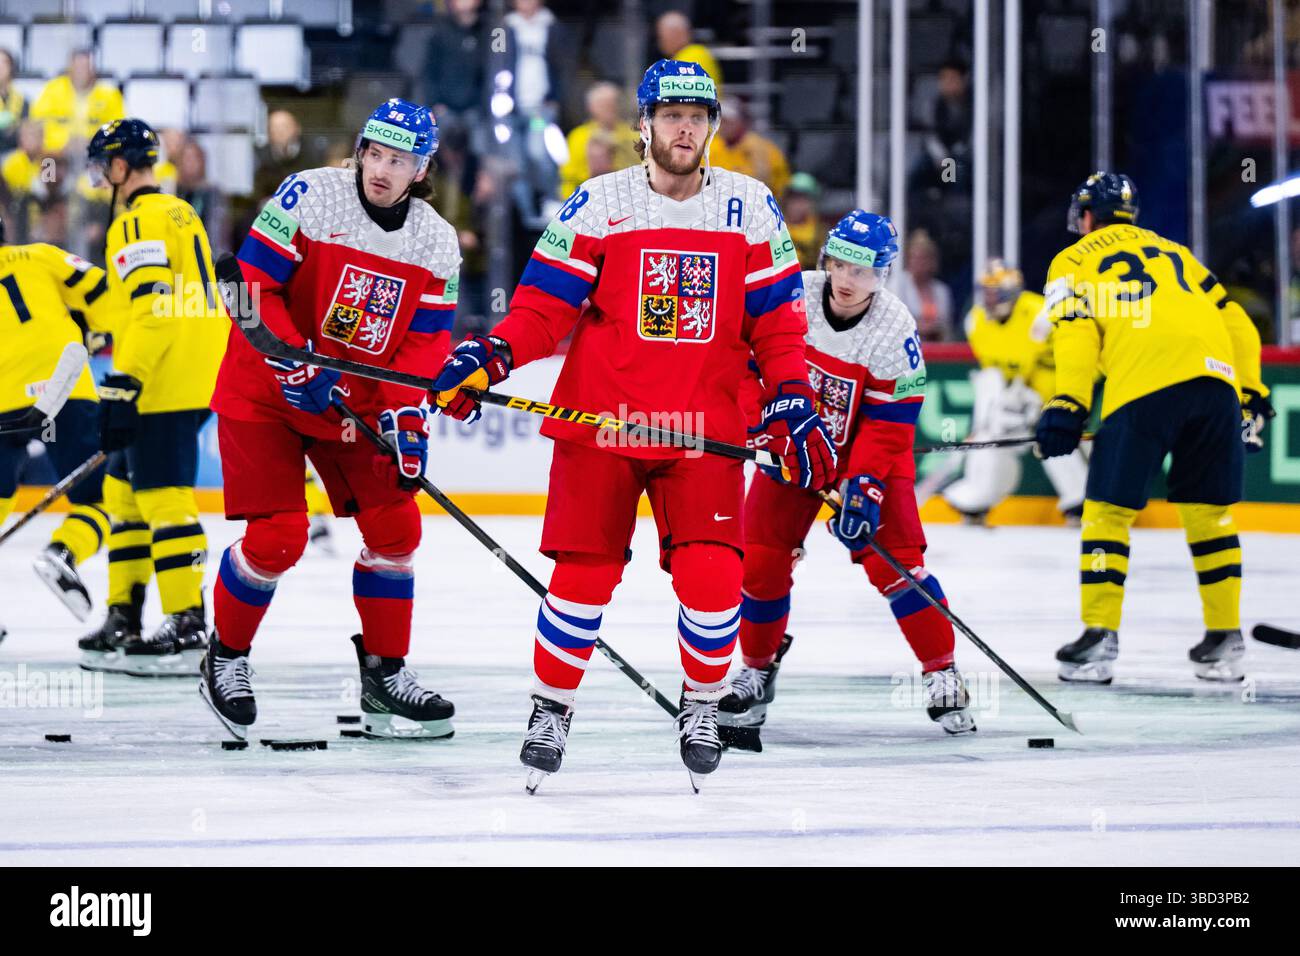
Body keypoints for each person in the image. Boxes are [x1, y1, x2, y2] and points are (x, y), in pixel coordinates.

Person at [431, 59, 836, 792]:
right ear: (643, 125)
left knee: (716, 584)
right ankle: (551, 708)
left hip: (703, 429)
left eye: (699, 116)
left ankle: (703, 704)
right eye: (672, 115)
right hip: (603, 422)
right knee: (580, 582)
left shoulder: (750, 206)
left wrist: (791, 395)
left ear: (712, 127)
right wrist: (491, 356)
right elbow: (542, 309)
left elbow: (779, 325)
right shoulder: (599, 201)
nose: (686, 128)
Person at [204, 99, 462, 742]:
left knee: (397, 529)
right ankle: (226, 658)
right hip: (265, 391)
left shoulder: (437, 241)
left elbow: (425, 347)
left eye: (399, 159)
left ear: (421, 168)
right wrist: (293, 362)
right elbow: (242, 287)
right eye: (374, 153)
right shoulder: (310, 195)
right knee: (280, 538)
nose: (381, 168)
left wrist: (409, 416)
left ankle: (384, 674)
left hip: (352, 401)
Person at [721, 211, 977, 738]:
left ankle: (942, 670)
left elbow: (889, 424)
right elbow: (748, 369)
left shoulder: (895, 328)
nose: (846, 279)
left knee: (898, 567)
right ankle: (755, 666)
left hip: (866, 459)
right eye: (841, 263)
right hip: (793, 450)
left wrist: (863, 483)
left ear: (881, 275)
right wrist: (765, 430)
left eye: (861, 271)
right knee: (761, 561)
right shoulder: (793, 294)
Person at [1036, 172, 1272, 684]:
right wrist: (1252, 394)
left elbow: (1075, 333)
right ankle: (1224, 640)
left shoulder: (1071, 259)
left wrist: (1069, 402)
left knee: (1106, 514)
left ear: (1088, 216)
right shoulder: (1178, 253)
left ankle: (1099, 638)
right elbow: (1238, 325)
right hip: (1217, 385)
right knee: (1212, 516)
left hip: (1144, 385)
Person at [78, 118, 228, 677]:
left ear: (120, 168)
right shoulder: (179, 210)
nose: (100, 179)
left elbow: (152, 307)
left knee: (164, 498)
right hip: (190, 369)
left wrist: (125, 380)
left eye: (102, 168)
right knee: (122, 495)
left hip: (163, 380)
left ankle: (188, 621)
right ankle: (124, 613)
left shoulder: (135, 223)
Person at [0, 216, 113, 623]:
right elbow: (106, 294)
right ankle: (62, 551)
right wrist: (97, 328)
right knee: (99, 499)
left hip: (2, 401)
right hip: (60, 387)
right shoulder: (40, 255)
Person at [942, 259, 1088, 523]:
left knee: (1052, 433)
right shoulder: (975, 322)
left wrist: (1042, 399)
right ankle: (978, 497)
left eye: (994, 292)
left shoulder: (1041, 313)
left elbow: (1068, 359)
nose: (989, 299)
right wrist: (993, 410)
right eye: (985, 292)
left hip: (1057, 394)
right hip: (1015, 394)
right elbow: (993, 374)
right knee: (988, 437)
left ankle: (1080, 501)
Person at [30, 51, 124, 157]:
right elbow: (37, 123)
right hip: (57, 155)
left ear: (93, 70)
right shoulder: (53, 90)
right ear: (69, 69)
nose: (81, 72)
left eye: (85, 67)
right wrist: (63, 144)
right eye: (77, 67)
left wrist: (92, 142)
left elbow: (118, 129)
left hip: (97, 156)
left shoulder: (110, 95)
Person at [557, 82, 640, 198]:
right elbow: (569, 175)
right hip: (586, 196)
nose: (609, 108)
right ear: (591, 107)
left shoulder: (633, 135)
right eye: (603, 104)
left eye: (613, 103)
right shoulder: (578, 136)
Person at [707, 98, 789, 197]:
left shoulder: (763, 149)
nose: (723, 125)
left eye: (728, 121)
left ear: (742, 121)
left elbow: (781, 185)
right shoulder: (709, 147)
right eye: (720, 120)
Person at [892, 229, 953, 342]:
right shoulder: (896, 285)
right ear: (908, 260)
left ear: (933, 261)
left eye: (924, 258)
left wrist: (935, 329)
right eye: (915, 258)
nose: (920, 263)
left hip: (936, 352)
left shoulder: (942, 290)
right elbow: (893, 322)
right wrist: (921, 328)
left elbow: (946, 327)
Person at [655, 11, 723, 99]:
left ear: (675, 34)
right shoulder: (697, 52)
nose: (659, 42)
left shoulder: (690, 57)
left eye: (661, 36)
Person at [781, 172, 824, 270]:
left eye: (803, 199)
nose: (797, 205)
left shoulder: (818, 233)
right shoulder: (775, 226)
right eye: (793, 198)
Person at [0, 49, 26, 155]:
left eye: (4, 62)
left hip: (15, 155)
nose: (0, 67)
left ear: (11, 67)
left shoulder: (23, 101)